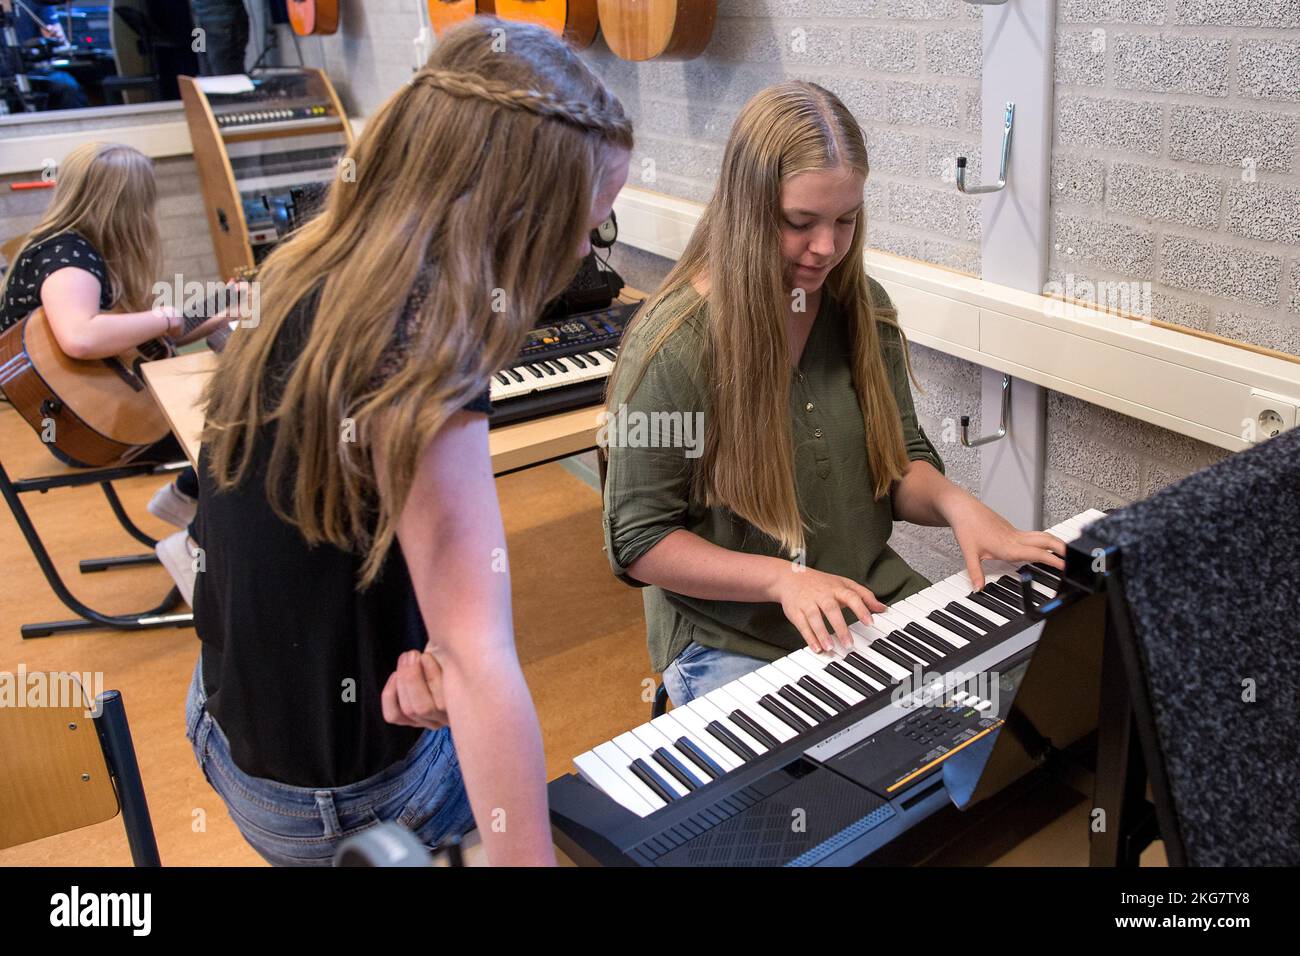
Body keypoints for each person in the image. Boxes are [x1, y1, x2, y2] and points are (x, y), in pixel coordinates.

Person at [188, 17, 632, 866]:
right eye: (585, 222)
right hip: (337, 801)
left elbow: (264, 523)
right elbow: (480, 658)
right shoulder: (422, 350)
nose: (583, 249)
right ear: (513, 210)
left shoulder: (304, 266)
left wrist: (406, 638)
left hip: (229, 723)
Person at [602, 81, 1065, 706]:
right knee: (819, 792)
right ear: (746, 209)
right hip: (733, 637)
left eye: (846, 220)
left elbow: (897, 461)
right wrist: (781, 581)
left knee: (1017, 706)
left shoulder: (862, 309)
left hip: (862, 602)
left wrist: (961, 508)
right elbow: (638, 540)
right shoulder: (676, 345)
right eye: (800, 223)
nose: (827, 247)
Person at [0, 141, 225, 595]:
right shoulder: (69, 257)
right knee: (238, 422)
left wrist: (218, 312)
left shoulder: (82, 248)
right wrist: (170, 317)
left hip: (88, 419)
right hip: (85, 428)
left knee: (229, 408)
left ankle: (184, 497)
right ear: (125, 202)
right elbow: (80, 336)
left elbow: (136, 342)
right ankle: (193, 537)